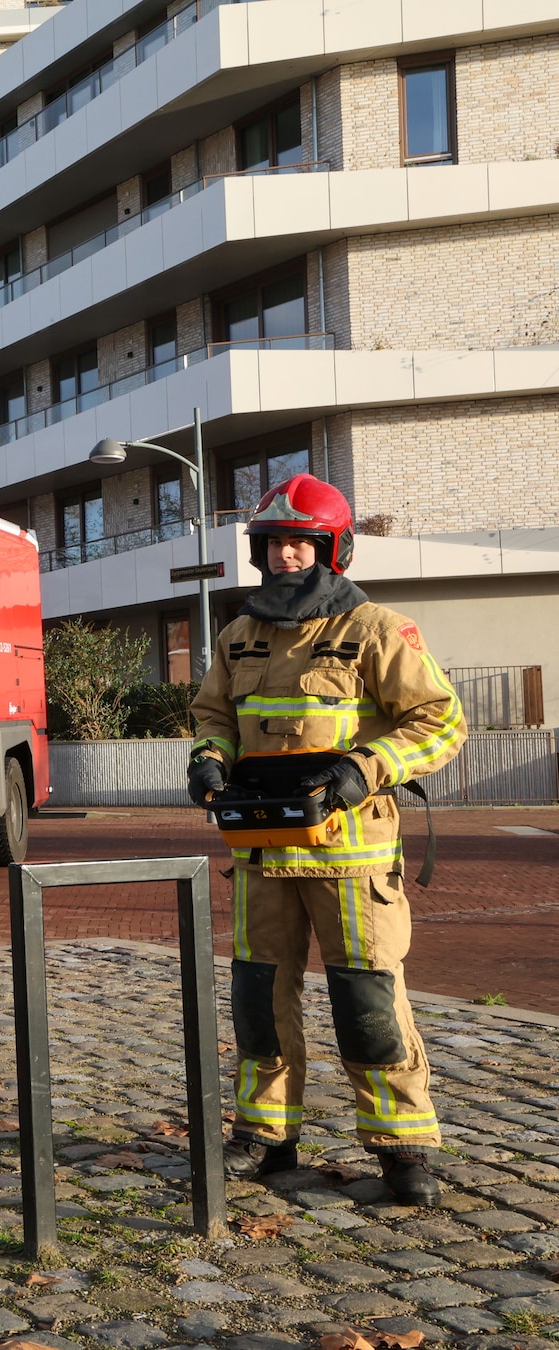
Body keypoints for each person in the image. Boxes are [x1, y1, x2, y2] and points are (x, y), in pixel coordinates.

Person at [188, 475, 465, 1206]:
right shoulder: (237, 635)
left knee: (367, 1001)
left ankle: (404, 1150)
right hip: (259, 857)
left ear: (330, 548)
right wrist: (208, 755)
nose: (284, 555)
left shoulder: (376, 629)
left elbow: (440, 722)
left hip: (353, 857)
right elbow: (213, 711)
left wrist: (364, 770)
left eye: (300, 542)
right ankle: (267, 1137)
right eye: (273, 542)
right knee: (259, 998)